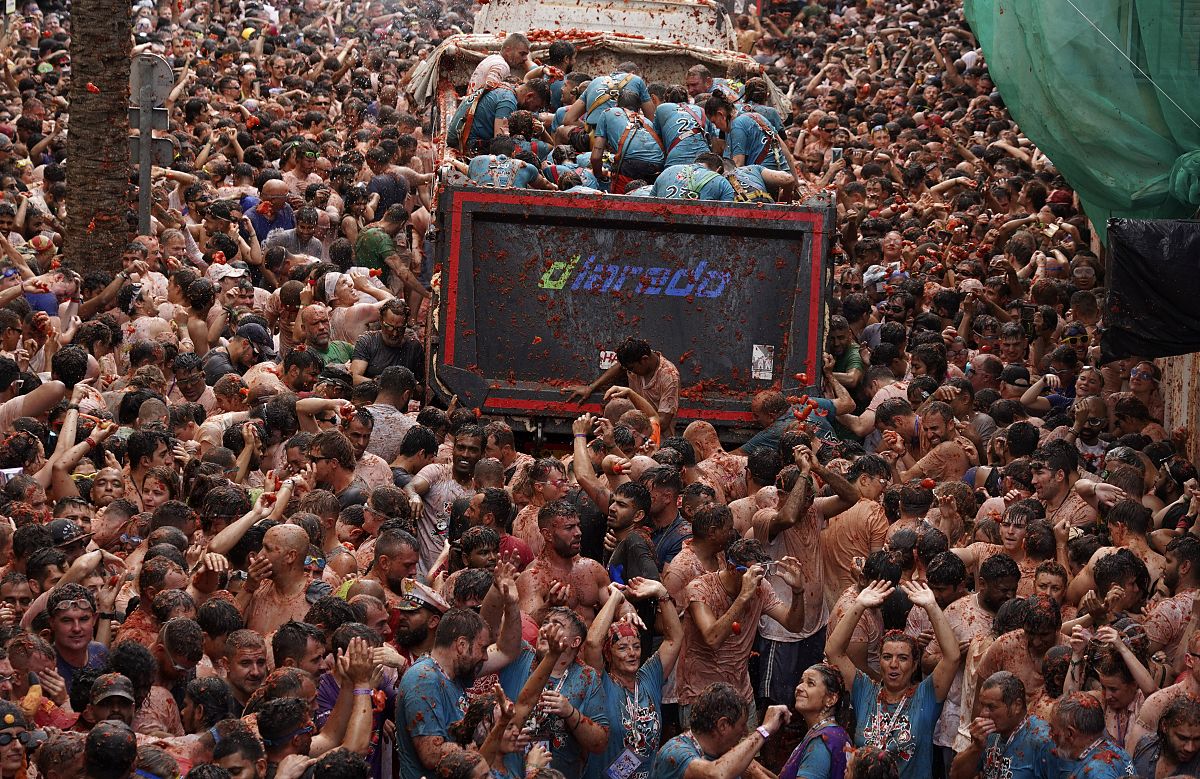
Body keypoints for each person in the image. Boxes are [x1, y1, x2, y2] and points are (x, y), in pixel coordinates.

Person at [825, 580, 961, 779]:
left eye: (903, 658)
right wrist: (859, 605)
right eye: (887, 657)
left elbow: (952, 657)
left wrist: (931, 607)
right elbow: (833, 651)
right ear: (879, 661)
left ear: (914, 665)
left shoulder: (926, 696)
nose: (894, 664)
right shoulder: (865, 691)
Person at [582, 578, 682, 779]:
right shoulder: (600, 683)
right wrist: (614, 599)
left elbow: (675, 638)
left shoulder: (649, 677)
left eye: (636, 646)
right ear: (609, 654)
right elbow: (592, 643)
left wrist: (661, 593)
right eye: (622, 648)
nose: (632, 653)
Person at [653, 682, 790, 779]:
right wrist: (764, 730)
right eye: (742, 725)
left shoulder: (726, 753)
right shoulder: (676, 752)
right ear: (723, 725)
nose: (745, 732)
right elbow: (716, 774)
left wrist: (754, 772)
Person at [950, 671, 1055, 779]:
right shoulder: (989, 734)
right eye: (982, 705)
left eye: (991, 707)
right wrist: (976, 747)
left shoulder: (1043, 740)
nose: (983, 713)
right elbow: (956, 776)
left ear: (1017, 706)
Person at [779, 663, 854, 779]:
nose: (799, 688)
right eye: (801, 682)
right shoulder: (832, 732)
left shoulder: (822, 741)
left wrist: (755, 772)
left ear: (831, 699)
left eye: (810, 683)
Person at [1048, 692, 1134, 779]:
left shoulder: (1096, 772)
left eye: (1052, 729)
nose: (1050, 734)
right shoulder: (1120, 751)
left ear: (1070, 733)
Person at [1131, 696, 1200, 778]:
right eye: (1182, 738)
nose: (1190, 748)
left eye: (1197, 739)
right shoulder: (1145, 745)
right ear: (1164, 726)